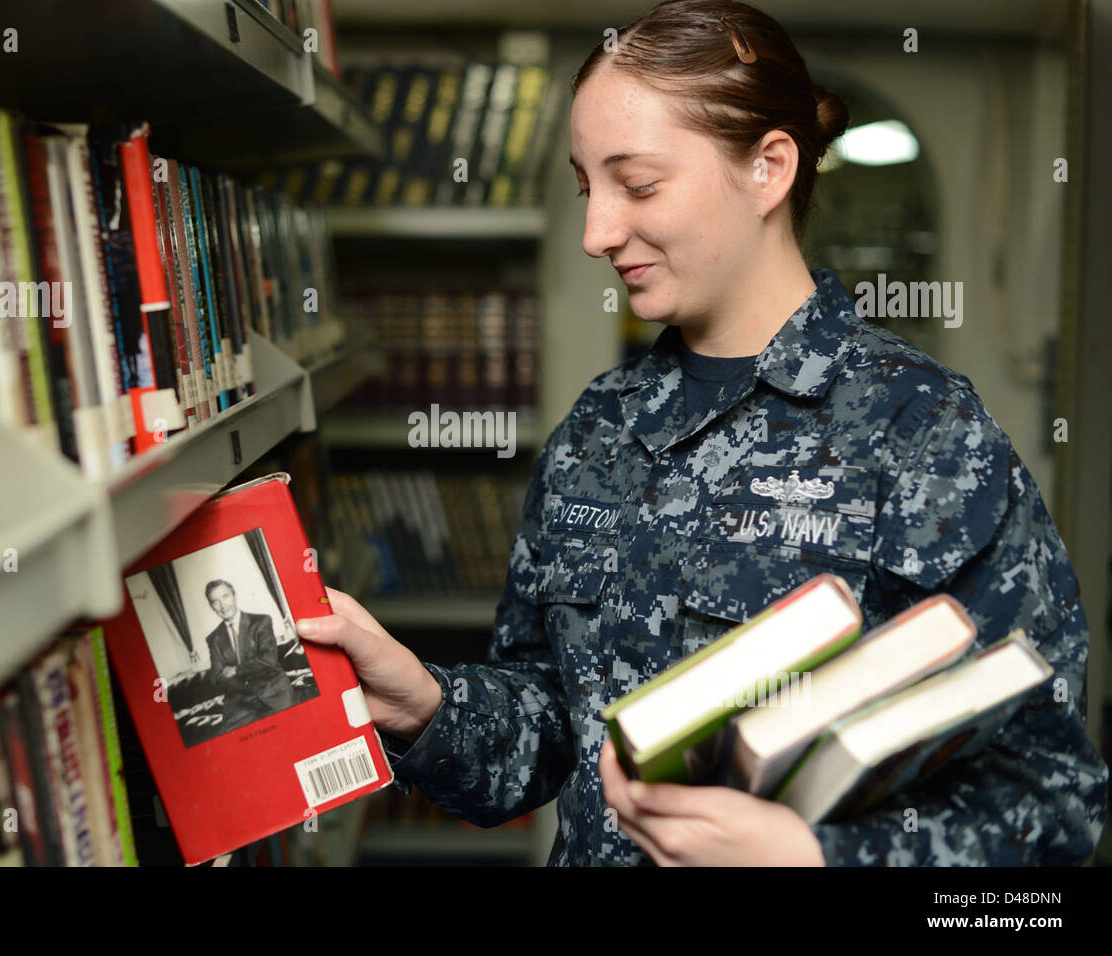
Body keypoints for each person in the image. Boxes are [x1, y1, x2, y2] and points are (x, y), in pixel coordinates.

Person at [297, 0, 1109, 866]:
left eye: (638, 185)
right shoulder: (596, 431)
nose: (597, 232)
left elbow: (1051, 798)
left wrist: (811, 857)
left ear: (768, 167)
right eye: (586, 188)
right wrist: (425, 702)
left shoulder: (924, 431)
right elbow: (549, 735)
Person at [203, 579, 294, 717]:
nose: (222, 605)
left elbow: (269, 660)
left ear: (234, 595)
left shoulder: (261, 622)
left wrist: (235, 670)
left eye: (225, 596)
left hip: (274, 694)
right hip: (240, 702)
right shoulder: (213, 638)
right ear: (211, 606)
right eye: (215, 601)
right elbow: (215, 677)